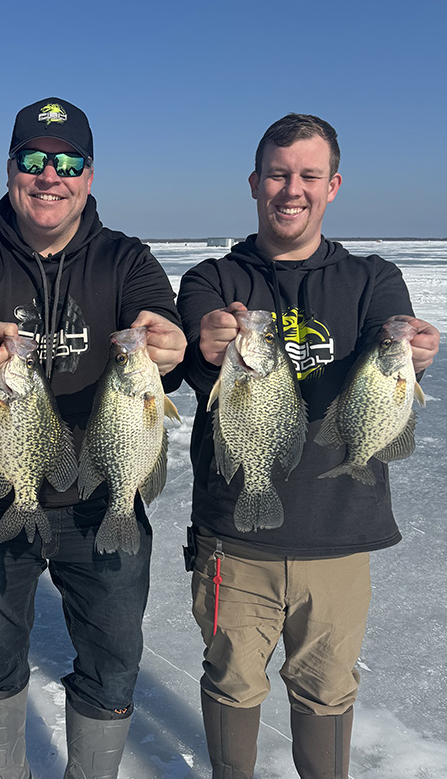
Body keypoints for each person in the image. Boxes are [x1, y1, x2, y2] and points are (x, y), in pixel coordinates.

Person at [0, 97, 186, 779]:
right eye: (33, 160)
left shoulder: (127, 260)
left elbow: (159, 321)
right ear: (11, 169)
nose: (50, 176)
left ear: (89, 176)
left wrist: (165, 343)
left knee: (113, 657)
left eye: (68, 163)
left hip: (102, 497)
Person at [176, 113, 440, 778]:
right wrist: (212, 337)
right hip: (234, 541)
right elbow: (203, 339)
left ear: (333, 186)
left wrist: (408, 348)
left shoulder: (372, 277)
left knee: (326, 691)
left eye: (308, 176)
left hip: (340, 534)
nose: (291, 189)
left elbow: (391, 334)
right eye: (277, 174)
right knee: (232, 681)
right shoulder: (211, 277)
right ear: (255, 182)